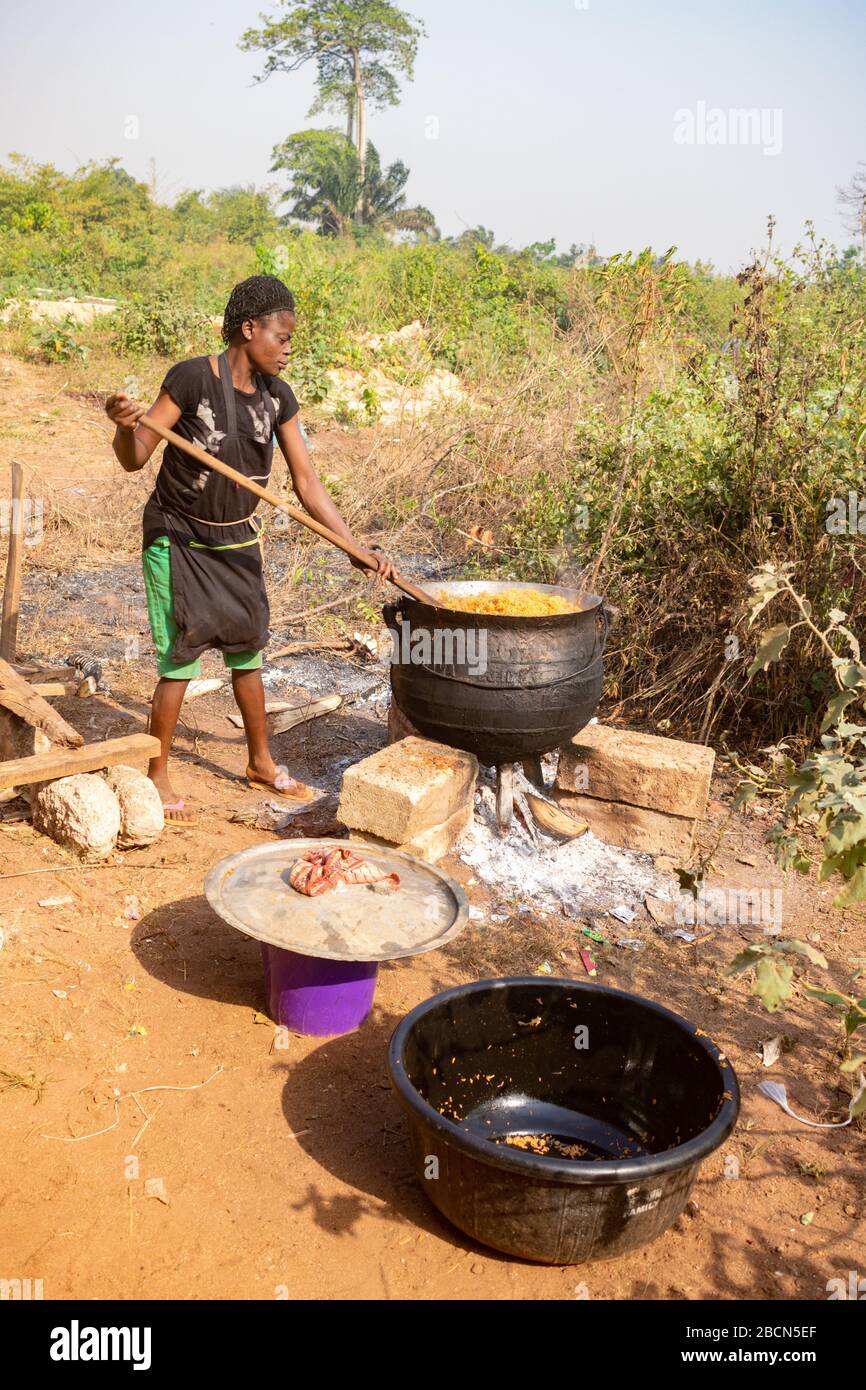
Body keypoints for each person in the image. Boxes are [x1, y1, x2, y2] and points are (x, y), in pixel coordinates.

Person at [105, 274, 395, 822]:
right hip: (179, 534)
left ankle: (260, 762)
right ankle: (157, 773)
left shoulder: (277, 397)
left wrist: (351, 546)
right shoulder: (191, 380)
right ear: (248, 328)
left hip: (237, 538)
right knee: (181, 658)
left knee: (247, 650)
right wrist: (123, 427)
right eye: (281, 337)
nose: (288, 349)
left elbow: (307, 482)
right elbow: (135, 454)